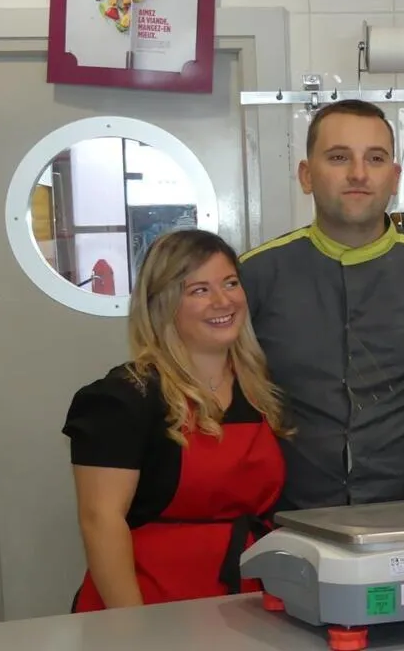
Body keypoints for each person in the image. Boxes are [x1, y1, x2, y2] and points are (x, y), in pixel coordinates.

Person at [239, 99, 404, 512]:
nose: (359, 173)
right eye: (338, 157)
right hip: (292, 517)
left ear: (394, 177)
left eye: (376, 158)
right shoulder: (255, 275)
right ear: (306, 175)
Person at [62, 229, 288, 611]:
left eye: (230, 283)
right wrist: (132, 627)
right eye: (199, 290)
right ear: (164, 305)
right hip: (150, 604)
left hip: (246, 600)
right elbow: (101, 520)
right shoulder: (123, 397)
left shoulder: (260, 392)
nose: (223, 301)